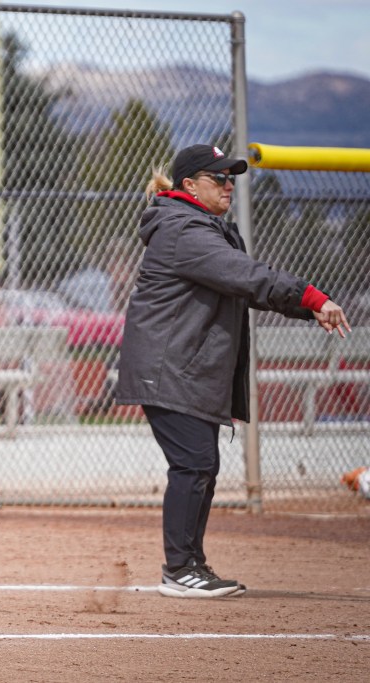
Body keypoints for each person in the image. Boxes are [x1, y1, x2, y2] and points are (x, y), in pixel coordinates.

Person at [115, 144, 350, 599]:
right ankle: (180, 569)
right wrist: (310, 297)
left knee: (203, 464)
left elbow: (244, 284)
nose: (229, 185)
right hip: (168, 369)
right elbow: (247, 275)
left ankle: (190, 564)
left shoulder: (203, 227)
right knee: (194, 463)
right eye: (218, 178)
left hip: (184, 368)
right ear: (189, 185)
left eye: (232, 178)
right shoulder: (184, 230)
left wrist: (306, 308)